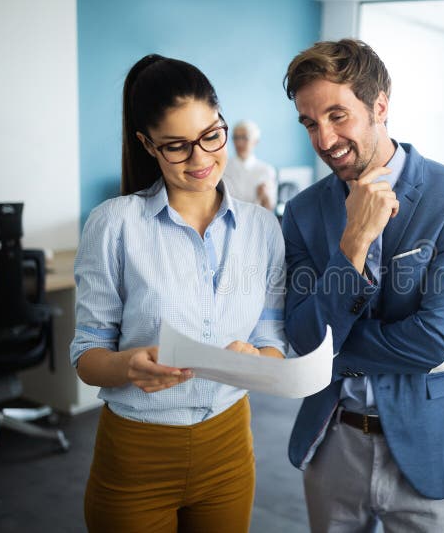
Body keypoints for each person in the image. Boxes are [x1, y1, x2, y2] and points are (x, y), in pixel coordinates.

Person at [281, 39, 444, 532]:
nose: (324, 139)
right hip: (332, 443)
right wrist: (352, 243)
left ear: (380, 105)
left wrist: (334, 350)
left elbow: (434, 341)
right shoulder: (304, 212)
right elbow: (304, 339)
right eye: (310, 122)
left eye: (338, 116)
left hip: (431, 444)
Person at [70, 54, 287, 532]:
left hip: (229, 448)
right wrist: (126, 365)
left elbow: (273, 341)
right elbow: (87, 356)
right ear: (147, 144)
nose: (201, 159)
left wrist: (254, 359)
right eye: (177, 146)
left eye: (212, 136)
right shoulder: (114, 225)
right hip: (136, 457)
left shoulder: (263, 228)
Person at [224, 119, 277, 210]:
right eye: (236, 137)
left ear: (256, 141)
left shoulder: (267, 170)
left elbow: (269, 208)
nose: (239, 143)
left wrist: (265, 195)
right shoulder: (223, 167)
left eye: (244, 137)